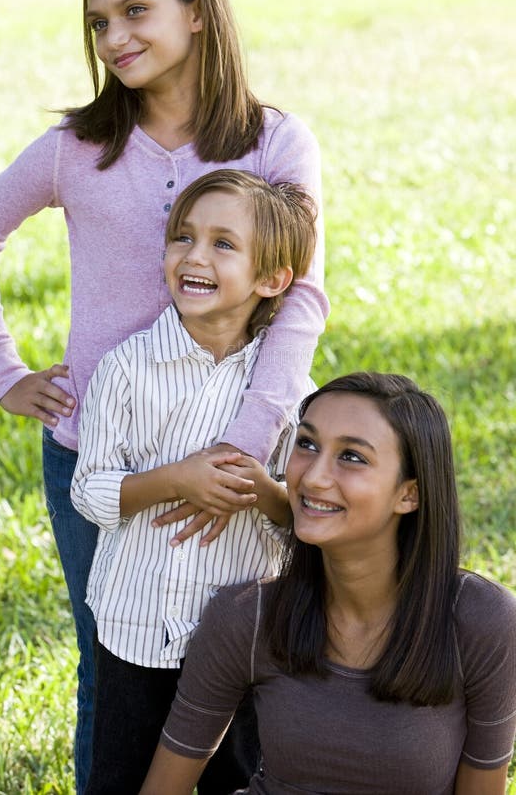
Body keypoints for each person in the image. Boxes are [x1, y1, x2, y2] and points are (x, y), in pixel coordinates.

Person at [0, 0, 328, 793]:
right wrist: (6, 376)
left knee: (245, 665)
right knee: (109, 668)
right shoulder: (77, 149)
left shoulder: (274, 141)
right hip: (99, 459)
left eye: (135, 11)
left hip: (240, 458)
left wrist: (241, 448)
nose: (114, 37)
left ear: (197, 9)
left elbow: (301, 295)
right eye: (98, 23)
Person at [140, 372, 516, 795]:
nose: (314, 477)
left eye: (351, 456)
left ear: (409, 494)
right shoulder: (247, 616)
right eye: (307, 444)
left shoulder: (482, 620)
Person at [70, 168, 317, 794]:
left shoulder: (286, 394)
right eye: (183, 236)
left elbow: (303, 520)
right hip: (134, 625)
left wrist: (260, 489)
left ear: (272, 279)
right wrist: (176, 479)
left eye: (222, 244)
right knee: (122, 777)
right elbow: (90, 491)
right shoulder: (126, 368)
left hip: (242, 641)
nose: (194, 255)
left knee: (232, 779)